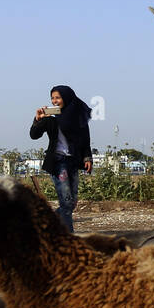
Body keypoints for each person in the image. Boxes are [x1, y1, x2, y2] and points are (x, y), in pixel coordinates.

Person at [30, 85, 93, 232]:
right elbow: (34, 135)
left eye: (57, 97)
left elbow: (85, 140)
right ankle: (69, 236)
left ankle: (47, 222)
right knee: (66, 201)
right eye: (52, 98)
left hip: (73, 161)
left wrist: (87, 158)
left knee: (72, 203)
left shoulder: (79, 118)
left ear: (66, 97)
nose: (54, 101)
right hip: (58, 162)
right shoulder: (51, 119)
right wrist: (38, 120)